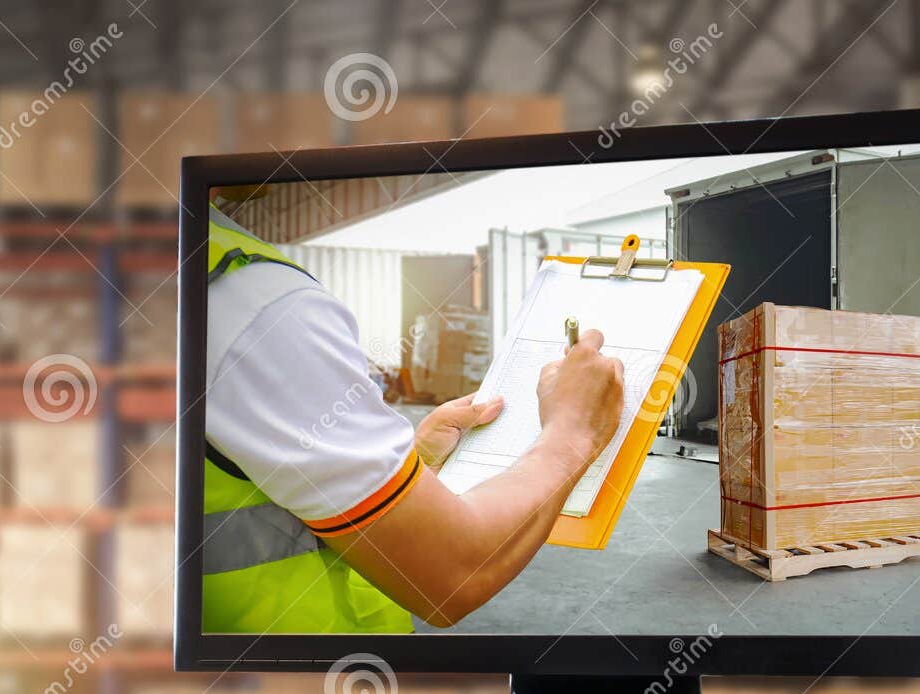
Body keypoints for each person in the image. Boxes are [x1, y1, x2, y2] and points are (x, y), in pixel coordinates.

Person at [203, 204, 623, 633]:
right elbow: (452, 571)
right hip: (301, 682)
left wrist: (416, 462)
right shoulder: (250, 300)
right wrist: (572, 433)